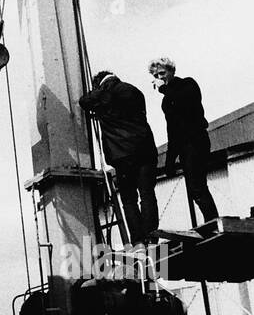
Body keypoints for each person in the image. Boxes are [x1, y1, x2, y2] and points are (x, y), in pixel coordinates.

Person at [80, 70, 158, 244]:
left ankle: (138, 240)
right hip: (145, 149)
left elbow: (84, 101)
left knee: (129, 199)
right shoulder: (134, 90)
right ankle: (152, 237)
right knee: (147, 194)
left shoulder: (103, 94)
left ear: (99, 83)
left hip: (122, 155)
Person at [148, 57, 218, 225]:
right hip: (184, 146)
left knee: (197, 186)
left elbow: (185, 104)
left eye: (162, 73)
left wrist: (164, 89)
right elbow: (172, 130)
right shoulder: (166, 100)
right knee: (196, 187)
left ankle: (213, 222)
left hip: (196, 140)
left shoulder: (187, 84)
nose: (160, 77)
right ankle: (212, 221)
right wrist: (170, 160)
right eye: (156, 75)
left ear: (172, 71)